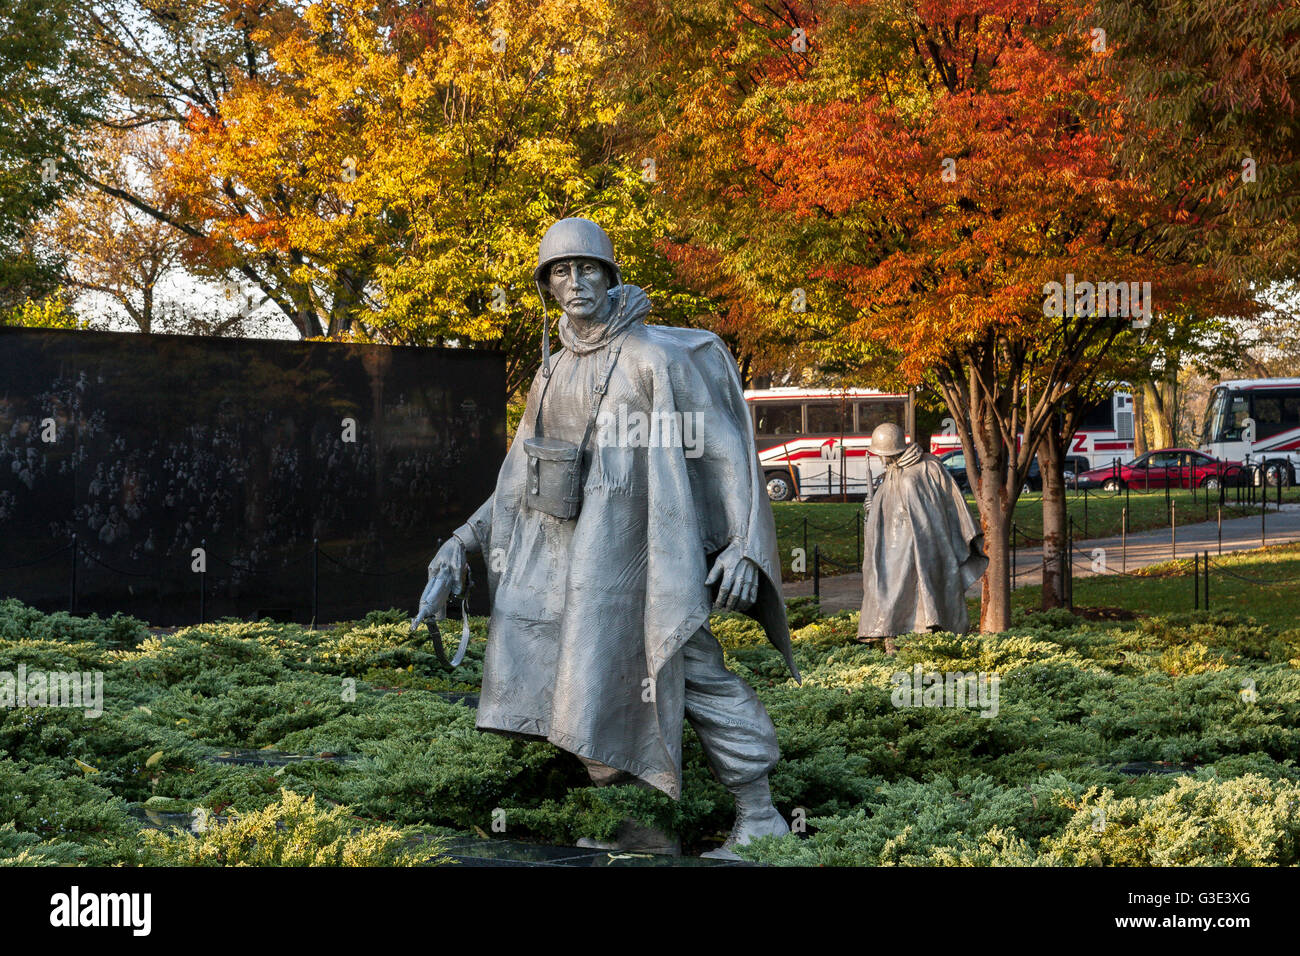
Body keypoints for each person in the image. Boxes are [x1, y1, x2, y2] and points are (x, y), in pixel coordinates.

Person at [415, 217, 799, 859]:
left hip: (651, 560)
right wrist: (461, 543)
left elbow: (729, 453)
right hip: (578, 565)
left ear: (610, 274)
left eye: (587, 268)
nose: (576, 282)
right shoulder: (550, 371)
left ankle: (760, 816)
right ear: (548, 286)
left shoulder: (652, 358)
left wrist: (743, 545)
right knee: (589, 674)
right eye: (561, 272)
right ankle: (634, 818)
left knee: (690, 668)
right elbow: (518, 482)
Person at [857, 423, 988, 647]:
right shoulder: (892, 472)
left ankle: (922, 645)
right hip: (891, 550)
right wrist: (874, 506)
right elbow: (889, 509)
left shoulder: (926, 468)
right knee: (886, 598)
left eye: (884, 455)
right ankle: (893, 645)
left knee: (919, 598)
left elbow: (941, 509)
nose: (881, 460)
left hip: (921, 549)